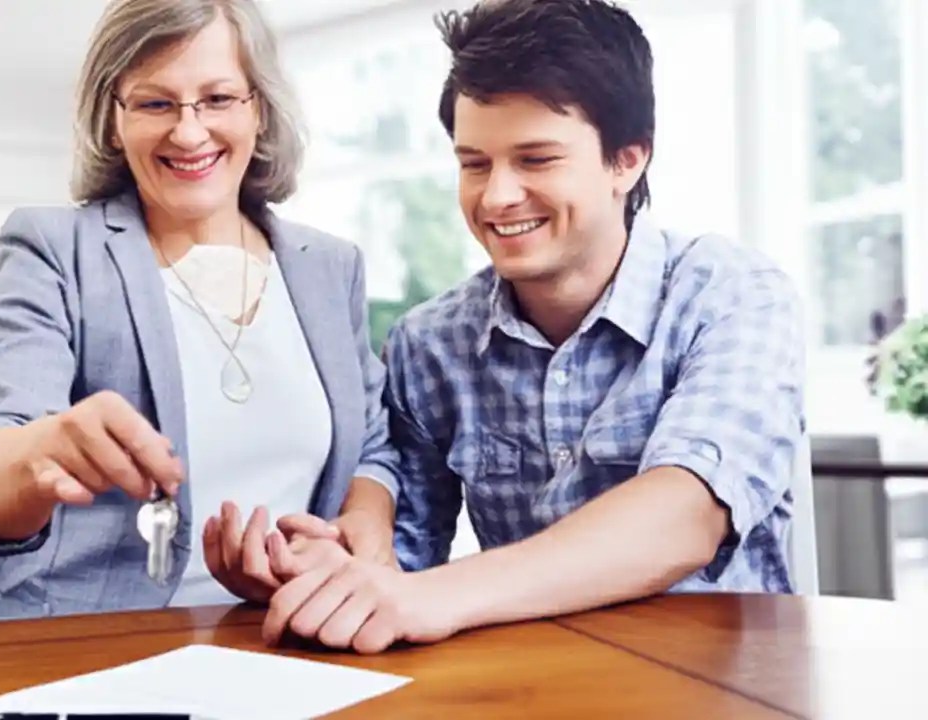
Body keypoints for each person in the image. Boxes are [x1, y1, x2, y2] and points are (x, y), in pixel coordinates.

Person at [261, 0, 806, 654]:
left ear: (627, 159)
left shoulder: (733, 296)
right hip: (523, 687)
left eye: (537, 159)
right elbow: (392, 558)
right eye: (474, 163)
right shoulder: (430, 343)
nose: (496, 197)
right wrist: (323, 566)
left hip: (720, 687)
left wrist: (434, 596)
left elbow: (686, 517)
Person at [0, 0, 398, 622]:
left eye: (217, 98)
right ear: (112, 121)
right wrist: (39, 453)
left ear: (258, 108)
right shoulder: (55, 250)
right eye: (156, 103)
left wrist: (360, 531)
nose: (188, 130)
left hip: (275, 637)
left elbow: (371, 447)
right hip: (76, 652)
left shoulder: (329, 267)